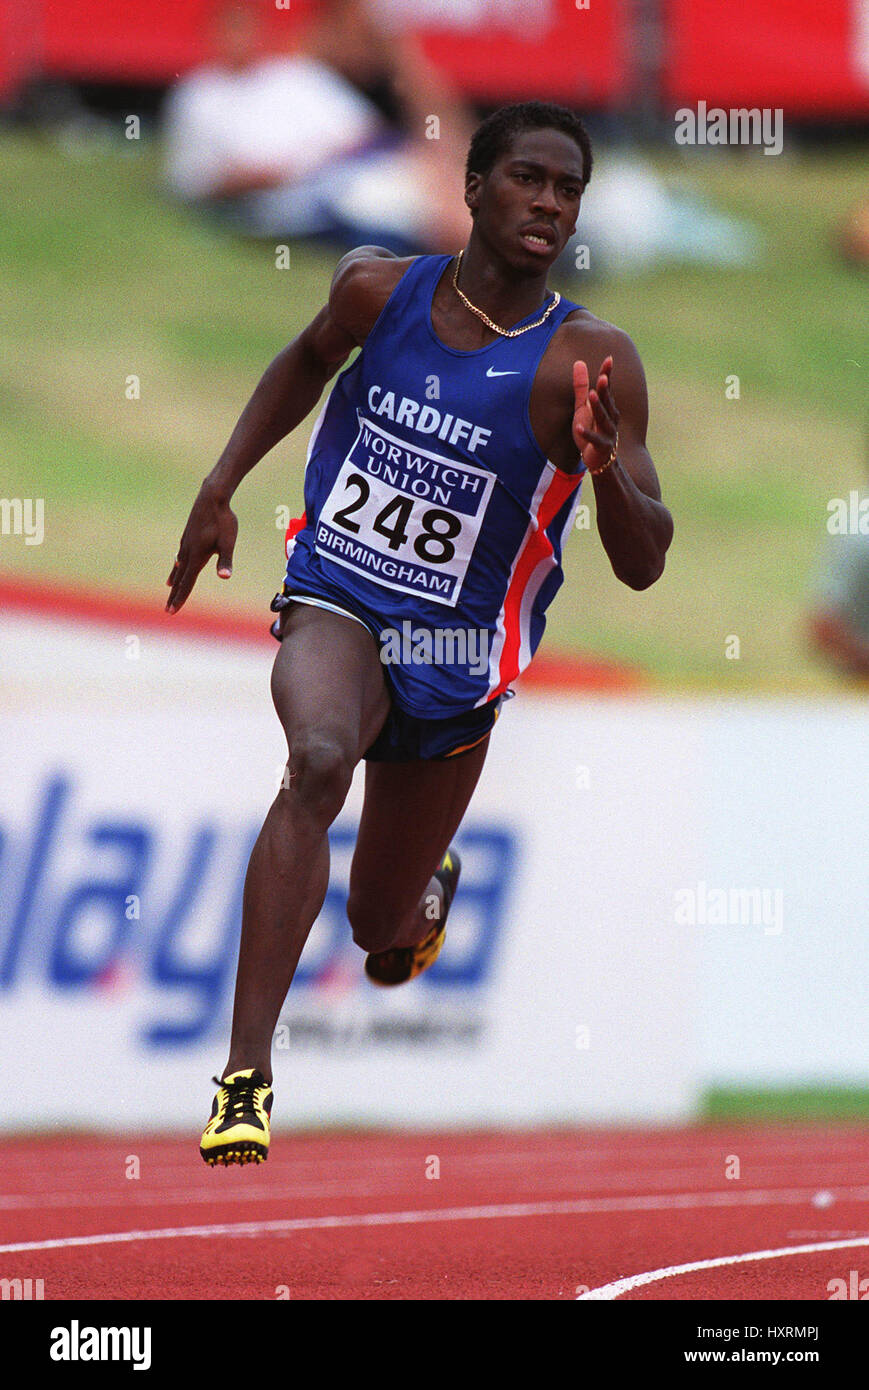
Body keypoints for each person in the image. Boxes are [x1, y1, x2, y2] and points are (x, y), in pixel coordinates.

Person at [165, 101, 674, 1166]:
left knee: (377, 930)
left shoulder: (587, 360)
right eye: (527, 178)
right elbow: (305, 361)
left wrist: (598, 471)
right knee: (313, 761)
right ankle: (246, 1077)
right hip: (340, 591)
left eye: (566, 188)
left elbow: (642, 559)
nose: (546, 201)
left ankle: (417, 896)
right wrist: (220, 487)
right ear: (473, 187)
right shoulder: (375, 288)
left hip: (455, 656)